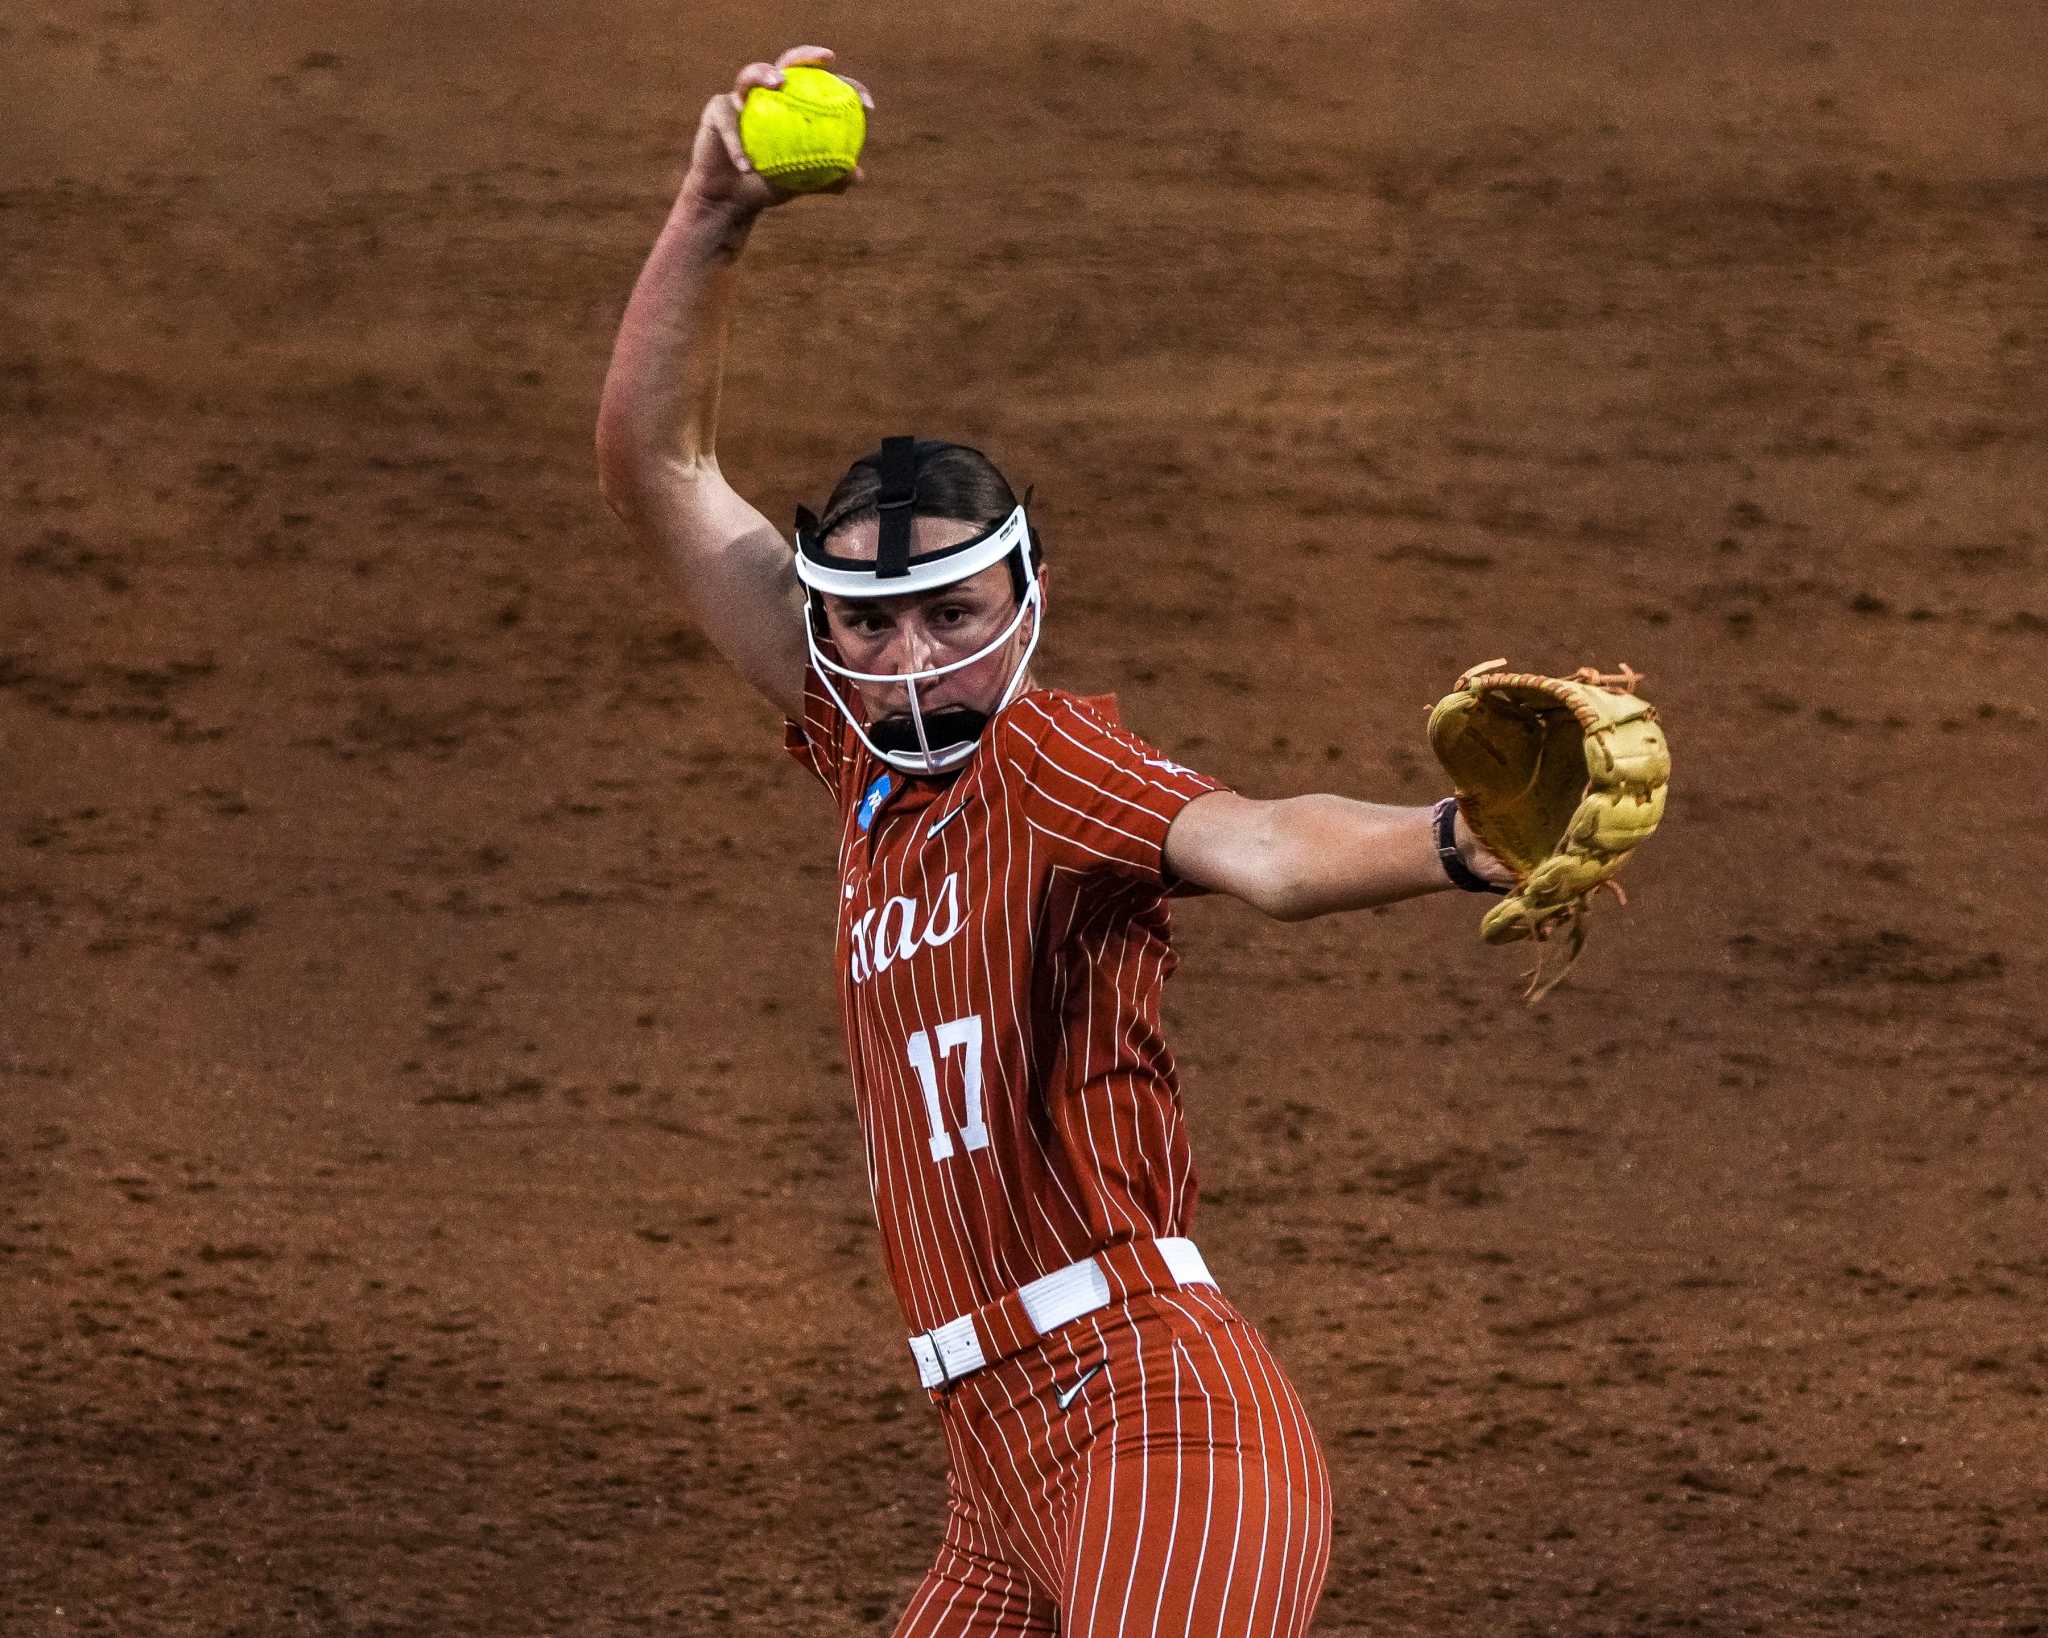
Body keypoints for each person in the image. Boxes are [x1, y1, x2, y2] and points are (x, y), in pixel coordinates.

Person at [596, 46, 1515, 1637]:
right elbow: (656, 469)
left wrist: (1456, 837)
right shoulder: (858, 761)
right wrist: (709, 207)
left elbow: (1267, 848)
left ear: (1024, 607)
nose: (913, 660)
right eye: (871, 629)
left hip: (1154, 1424)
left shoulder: (1045, 754)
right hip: (998, 1479)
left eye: (953, 616)